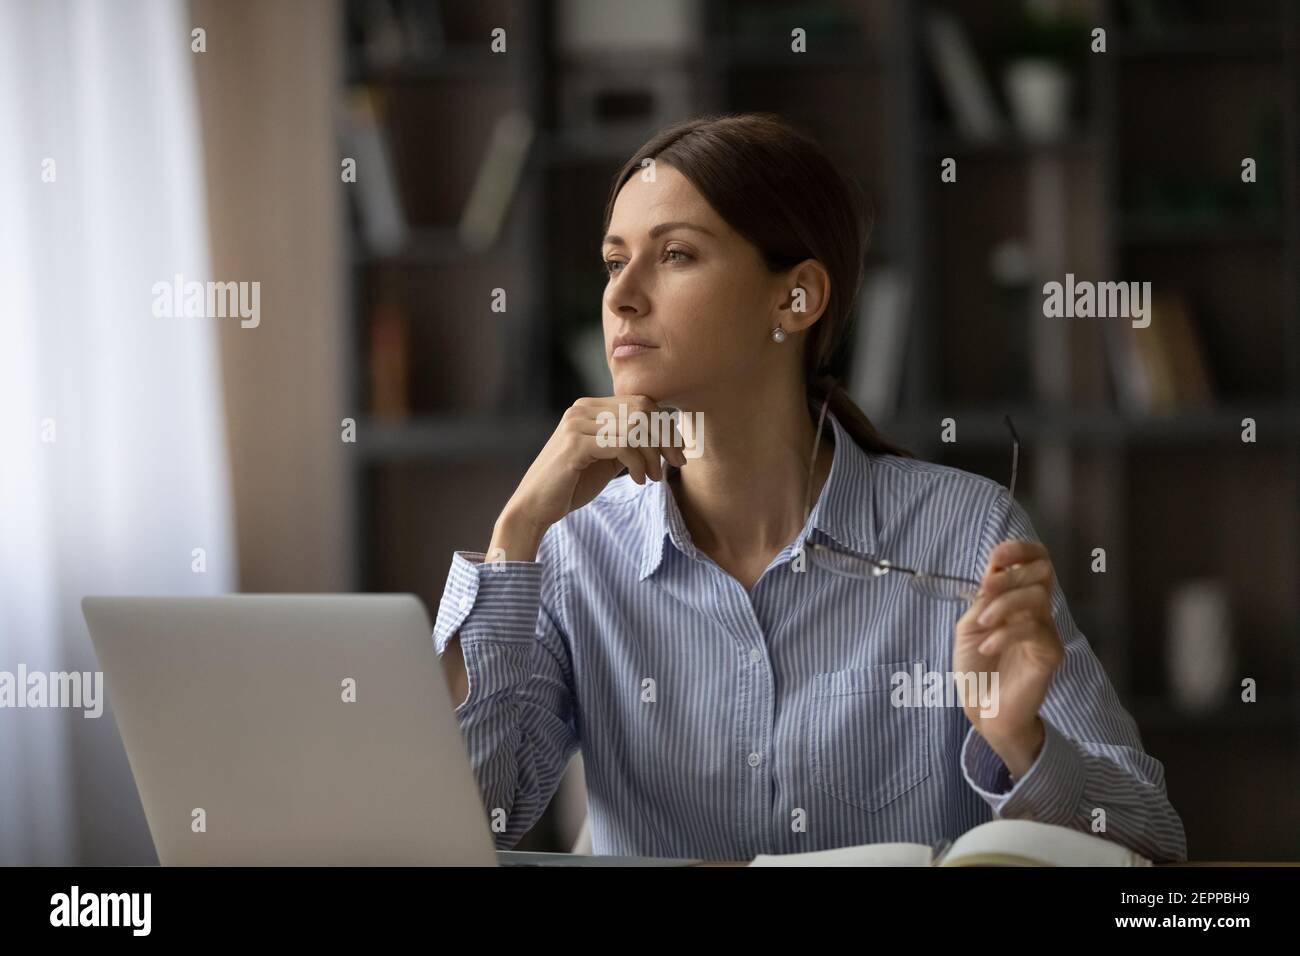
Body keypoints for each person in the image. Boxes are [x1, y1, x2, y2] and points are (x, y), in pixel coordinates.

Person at [434, 112, 1187, 863]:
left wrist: (1022, 742)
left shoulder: (967, 535)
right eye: (613, 261)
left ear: (796, 299)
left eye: (675, 255)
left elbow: (1155, 840)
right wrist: (518, 530)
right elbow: (456, 828)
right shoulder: (573, 554)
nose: (621, 297)